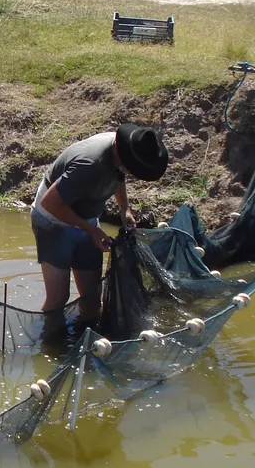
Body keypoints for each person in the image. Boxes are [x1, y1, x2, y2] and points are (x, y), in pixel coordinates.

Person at [30, 123, 169, 342]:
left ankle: (83, 339)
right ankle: (48, 346)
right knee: (58, 299)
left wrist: (124, 208)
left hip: (86, 218)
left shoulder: (124, 150)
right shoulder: (89, 164)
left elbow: (118, 177)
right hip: (52, 221)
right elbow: (50, 203)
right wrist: (91, 230)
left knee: (92, 300)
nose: (129, 173)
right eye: (130, 169)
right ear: (122, 158)